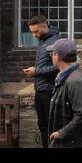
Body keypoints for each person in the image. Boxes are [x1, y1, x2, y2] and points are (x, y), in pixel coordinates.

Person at [46, 38, 82, 148]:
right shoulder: (66, 76)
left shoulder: (76, 81)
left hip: (76, 142)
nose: (51, 57)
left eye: (52, 54)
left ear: (57, 56)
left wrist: (62, 133)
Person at [21, 14, 60, 148]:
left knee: (50, 126)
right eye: (32, 32)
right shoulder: (43, 41)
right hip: (40, 90)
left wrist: (36, 71)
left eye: (36, 31)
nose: (34, 35)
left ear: (45, 26)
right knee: (42, 126)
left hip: (49, 91)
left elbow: (57, 67)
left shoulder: (55, 42)